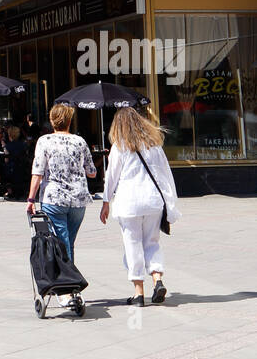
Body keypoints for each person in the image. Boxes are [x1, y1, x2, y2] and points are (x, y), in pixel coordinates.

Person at [101, 107, 181, 307]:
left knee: (133, 244)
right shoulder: (154, 146)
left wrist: (105, 202)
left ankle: (138, 293)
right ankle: (157, 279)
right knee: (152, 243)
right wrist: (170, 202)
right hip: (153, 201)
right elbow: (165, 175)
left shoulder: (120, 146)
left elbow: (111, 177)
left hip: (129, 202)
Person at [27, 103, 97, 274]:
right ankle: (69, 282)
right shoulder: (80, 141)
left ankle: (68, 285)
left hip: (54, 198)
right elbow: (92, 172)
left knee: (61, 242)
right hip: (78, 200)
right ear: (69, 121)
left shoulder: (44, 141)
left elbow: (37, 172)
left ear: (52, 120)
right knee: (67, 241)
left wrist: (30, 199)